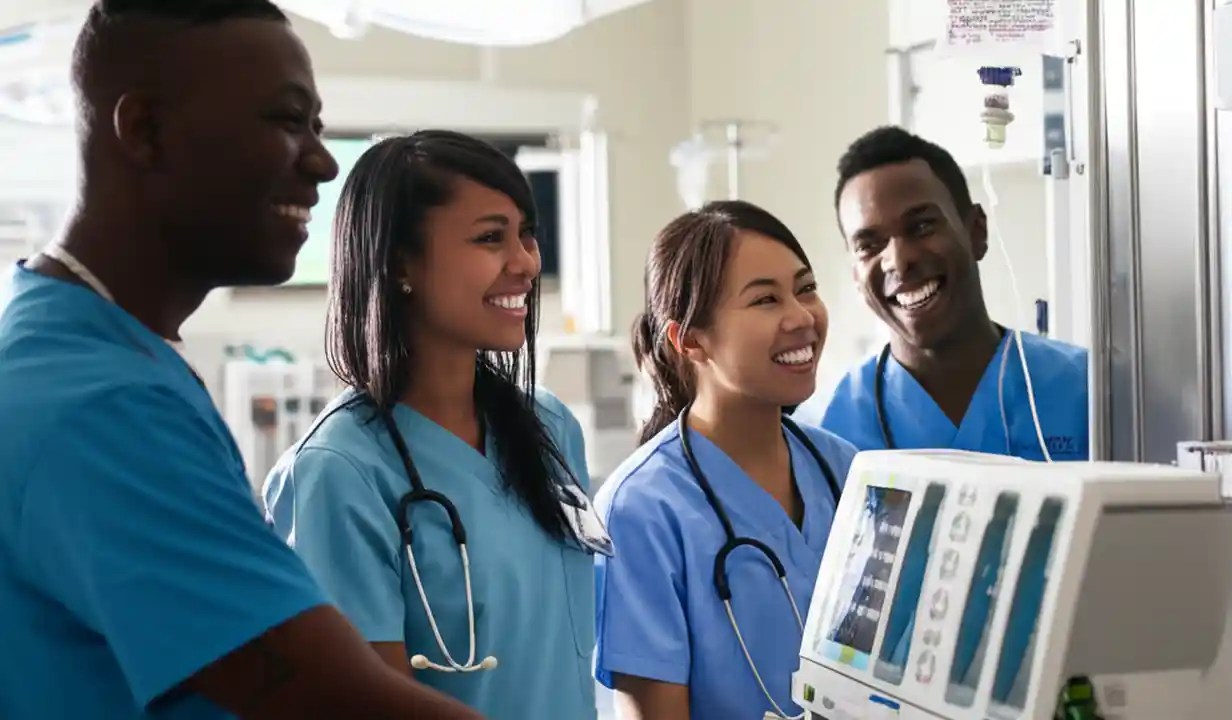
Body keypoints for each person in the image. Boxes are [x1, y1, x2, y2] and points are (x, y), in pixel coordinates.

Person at [0, 3, 483, 719]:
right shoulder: (103, 404)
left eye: (317, 128)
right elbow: (332, 703)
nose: (322, 163)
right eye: (288, 122)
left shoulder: (80, 344)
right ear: (146, 130)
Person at [261, 129, 602, 720]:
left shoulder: (549, 426)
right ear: (399, 263)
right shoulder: (340, 474)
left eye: (527, 234)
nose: (524, 262)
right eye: (491, 238)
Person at [593, 201, 858, 720]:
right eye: (765, 300)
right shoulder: (641, 510)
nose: (801, 317)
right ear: (690, 340)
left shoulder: (844, 470)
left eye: (805, 288)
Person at [799, 126, 1089, 461]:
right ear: (855, 274)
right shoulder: (827, 428)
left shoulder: (1086, 389)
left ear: (976, 231)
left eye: (921, 227)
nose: (899, 261)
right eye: (869, 245)